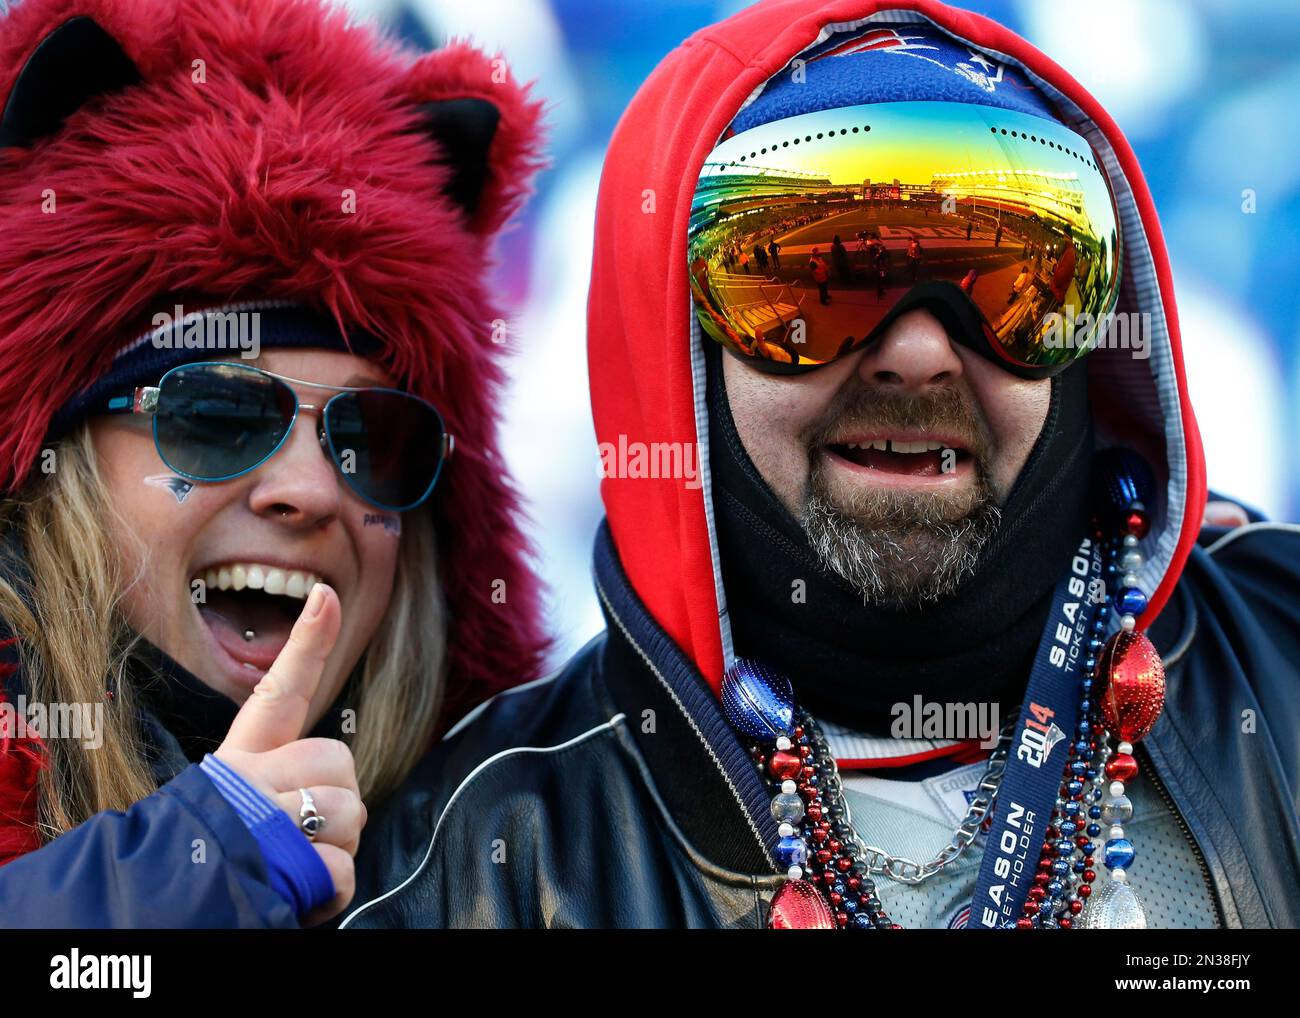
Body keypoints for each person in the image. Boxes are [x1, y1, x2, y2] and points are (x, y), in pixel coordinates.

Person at [345, 1, 1299, 930]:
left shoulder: (1280, 666)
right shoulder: (492, 852)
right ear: (676, 348)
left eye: (1010, 279)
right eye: (818, 281)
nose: (919, 352)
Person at [0, 0, 545, 926]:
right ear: (53, 457)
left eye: (372, 439)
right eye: (217, 414)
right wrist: (200, 870)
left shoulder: (525, 846)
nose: (310, 490)